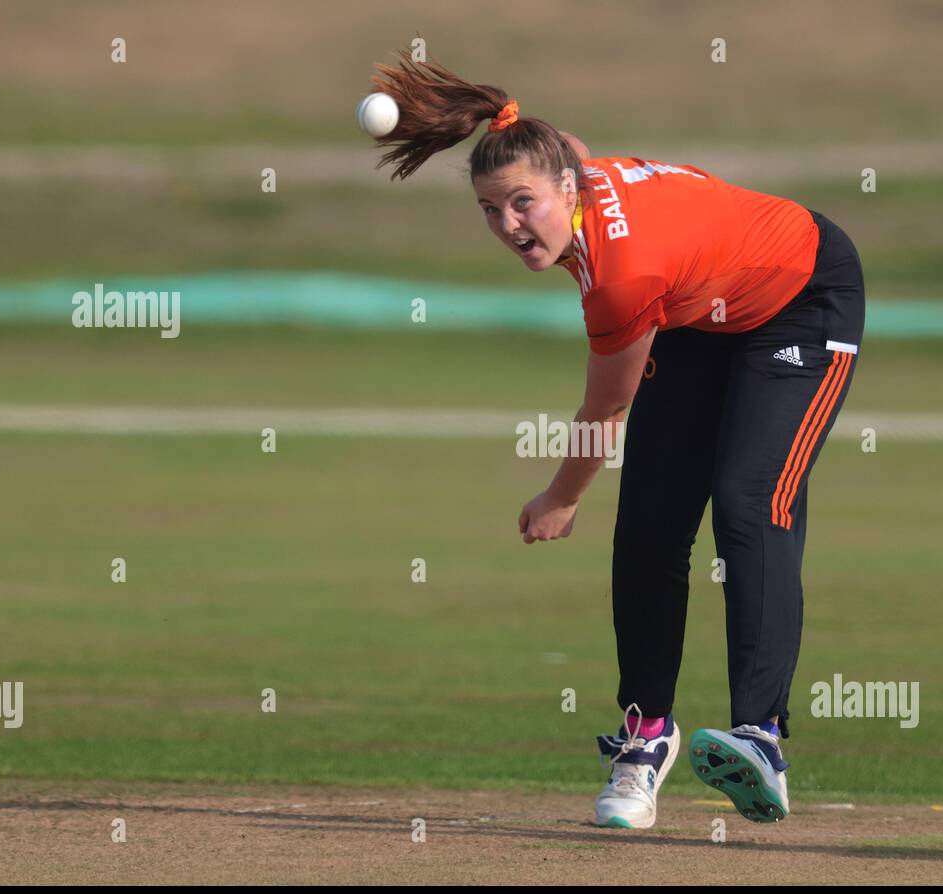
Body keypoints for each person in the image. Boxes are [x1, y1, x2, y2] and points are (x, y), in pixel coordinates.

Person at [368, 51, 863, 828]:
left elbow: (604, 414)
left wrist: (559, 498)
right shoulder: (575, 172)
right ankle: (646, 737)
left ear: (567, 189)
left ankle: (761, 736)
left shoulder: (621, 278)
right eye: (491, 211)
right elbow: (560, 140)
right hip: (700, 313)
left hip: (803, 295)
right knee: (650, 529)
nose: (509, 226)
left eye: (522, 204)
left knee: (749, 500)